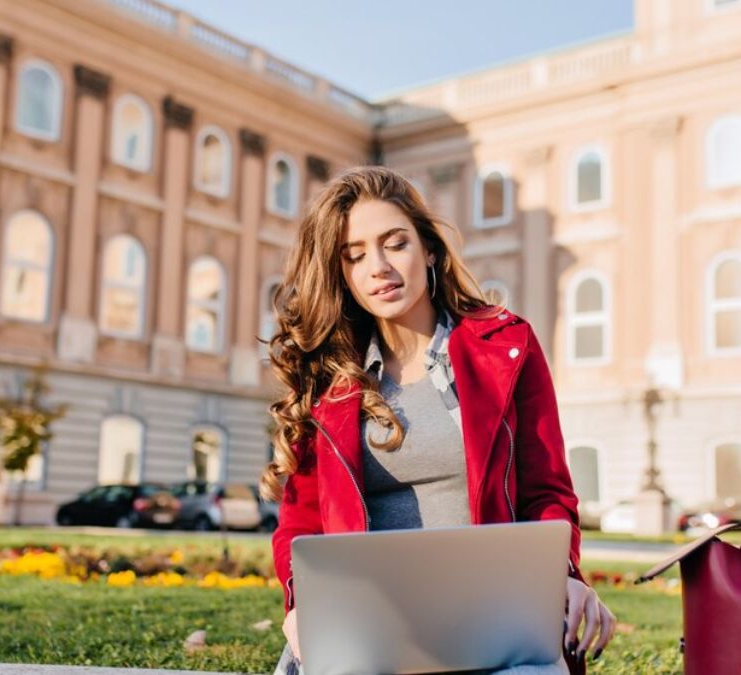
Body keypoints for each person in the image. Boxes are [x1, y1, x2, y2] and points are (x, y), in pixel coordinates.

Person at [258, 166, 616, 675]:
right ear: (343, 275)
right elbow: (300, 523)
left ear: (429, 250)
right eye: (354, 255)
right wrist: (300, 607)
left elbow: (547, 491)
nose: (378, 266)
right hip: (365, 627)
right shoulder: (329, 379)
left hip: (496, 620)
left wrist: (565, 575)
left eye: (394, 243)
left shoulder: (507, 347)